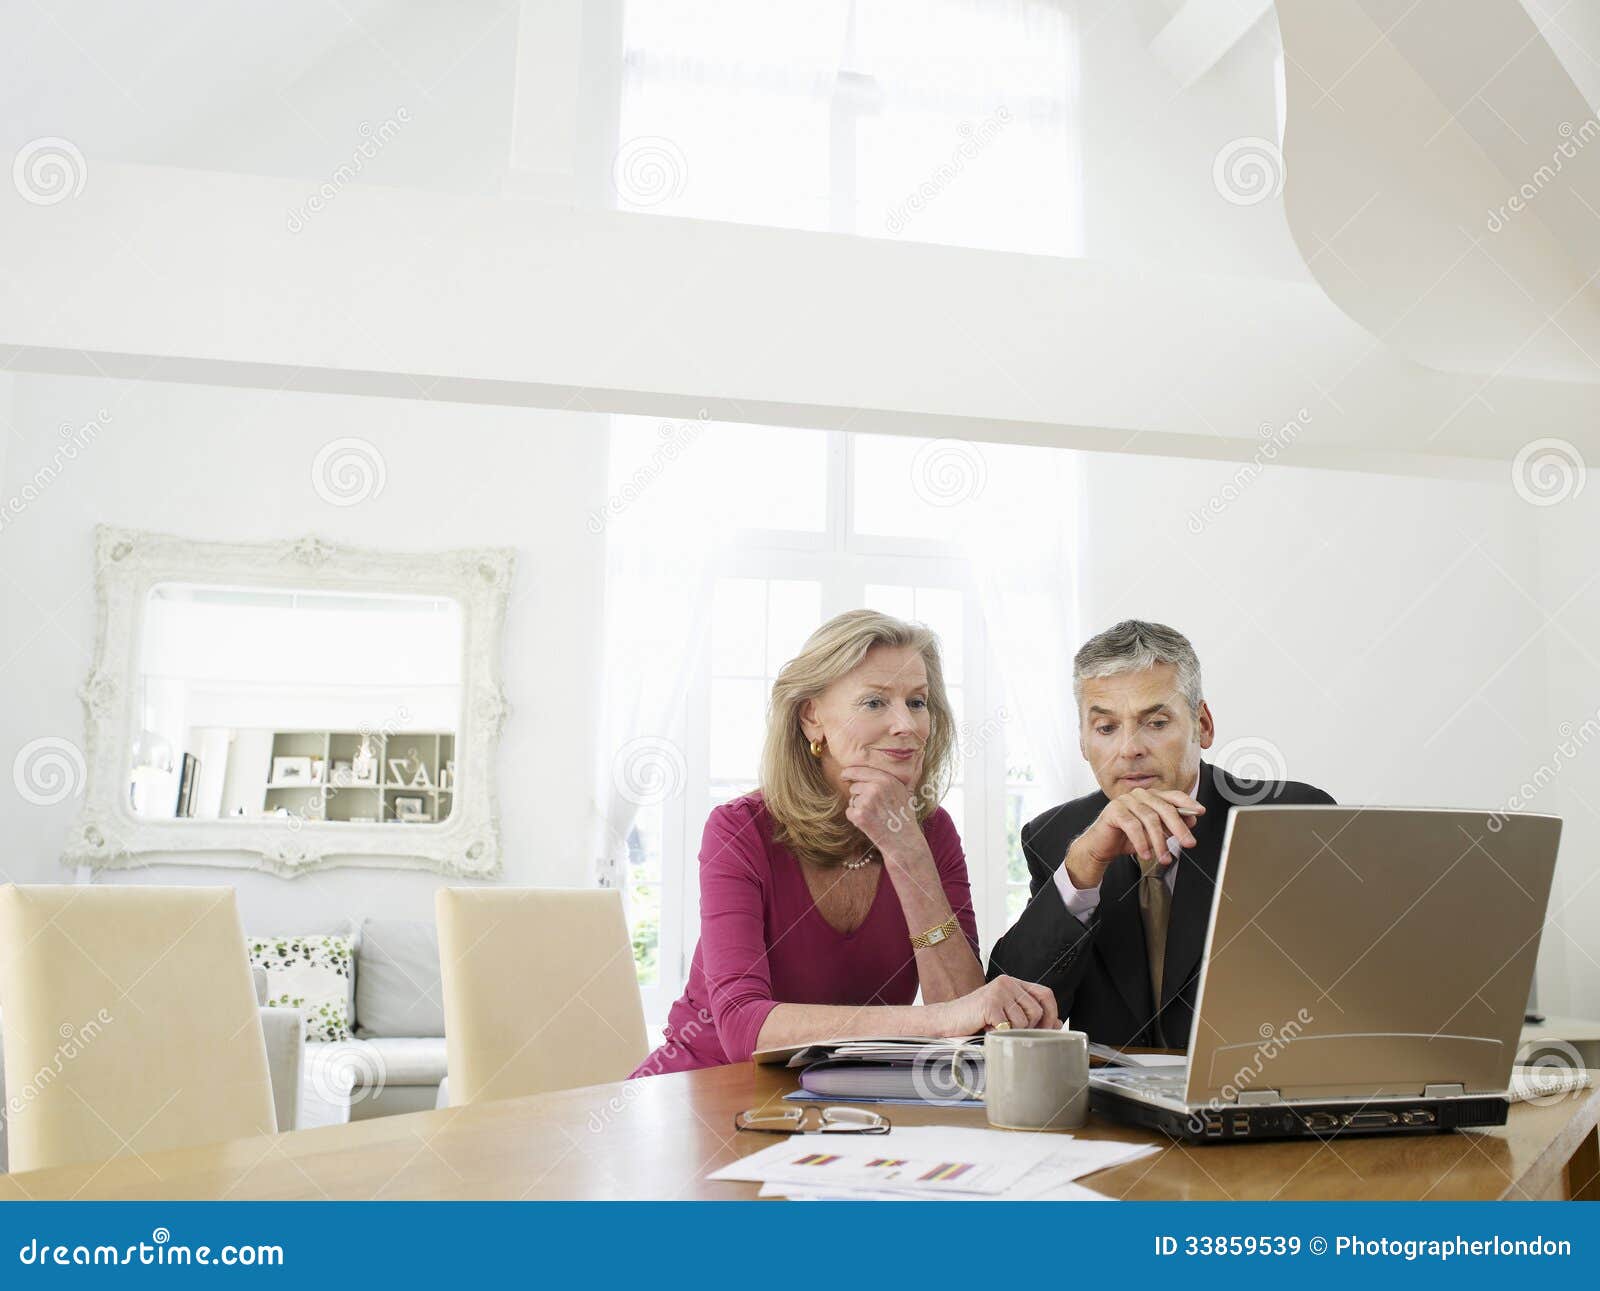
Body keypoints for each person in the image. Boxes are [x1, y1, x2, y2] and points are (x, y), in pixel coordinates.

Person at [632, 609, 1058, 1077]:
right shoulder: (740, 829)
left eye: (918, 702)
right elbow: (743, 1028)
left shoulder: (931, 835)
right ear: (812, 717)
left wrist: (907, 853)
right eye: (875, 702)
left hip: (840, 1098)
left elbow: (962, 1017)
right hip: (705, 1087)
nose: (907, 725)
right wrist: (939, 1022)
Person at [987, 619, 1334, 1050]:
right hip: (1105, 1110)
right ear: (1082, 742)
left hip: (1246, 1098)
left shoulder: (1289, 820)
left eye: (1155, 722)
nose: (1130, 748)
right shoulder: (1055, 837)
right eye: (1106, 728)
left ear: (1202, 725)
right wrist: (1081, 873)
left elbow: (1340, 995)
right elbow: (1009, 1019)